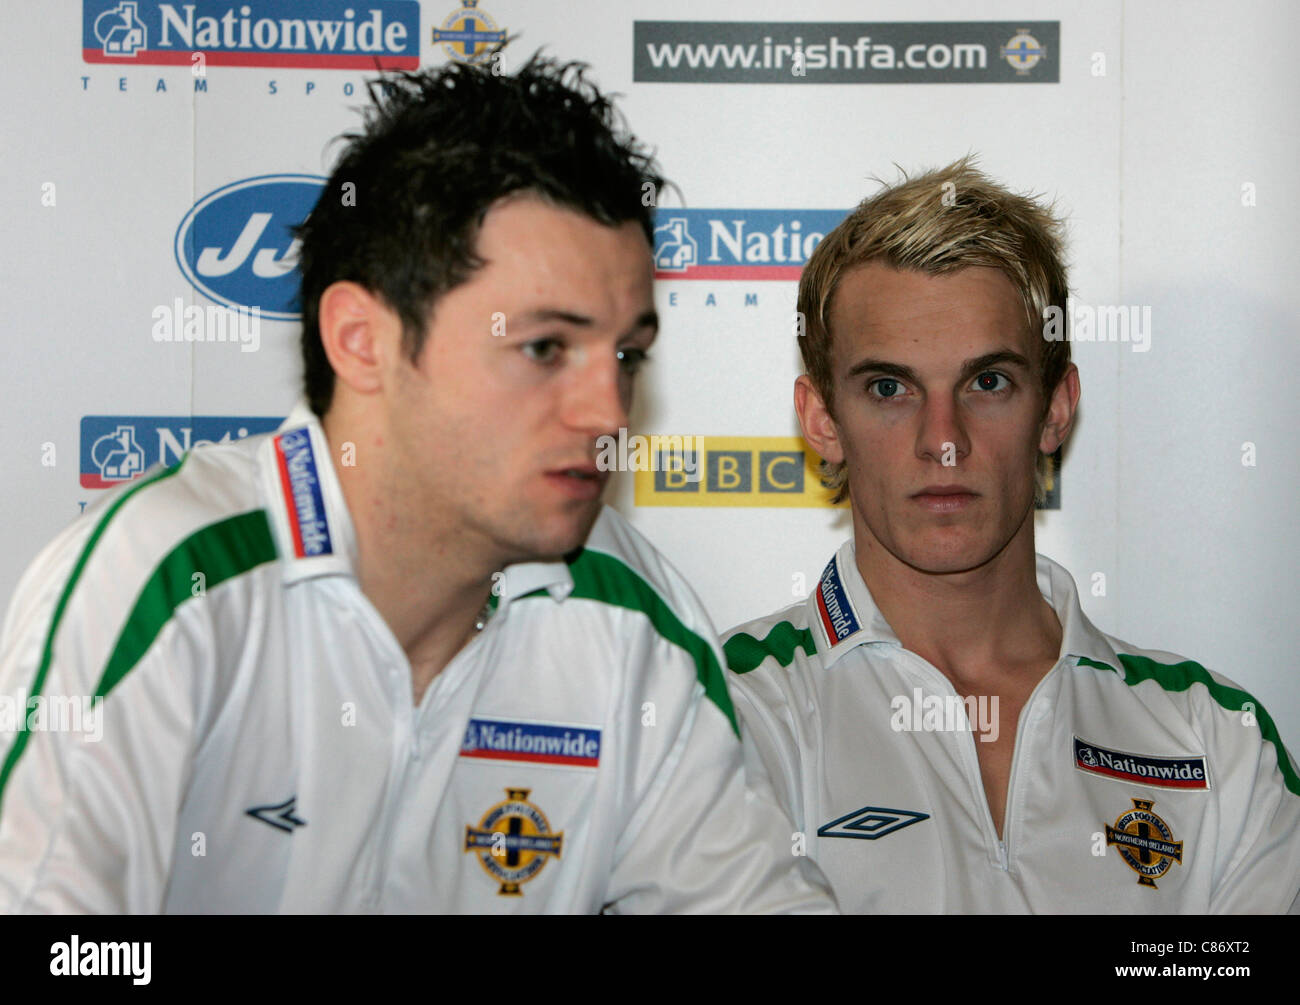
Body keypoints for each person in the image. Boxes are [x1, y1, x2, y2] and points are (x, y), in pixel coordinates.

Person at [0, 54, 834, 914]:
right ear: (362, 341)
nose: (608, 412)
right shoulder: (171, 583)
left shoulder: (633, 619)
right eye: (545, 347)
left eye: (627, 354)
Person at [723, 158, 1300, 912]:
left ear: (1056, 409)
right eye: (889, 388)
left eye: (987, 382)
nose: (945, 440)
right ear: (823, 420)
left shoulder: (1217, 741)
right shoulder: (723, 717)